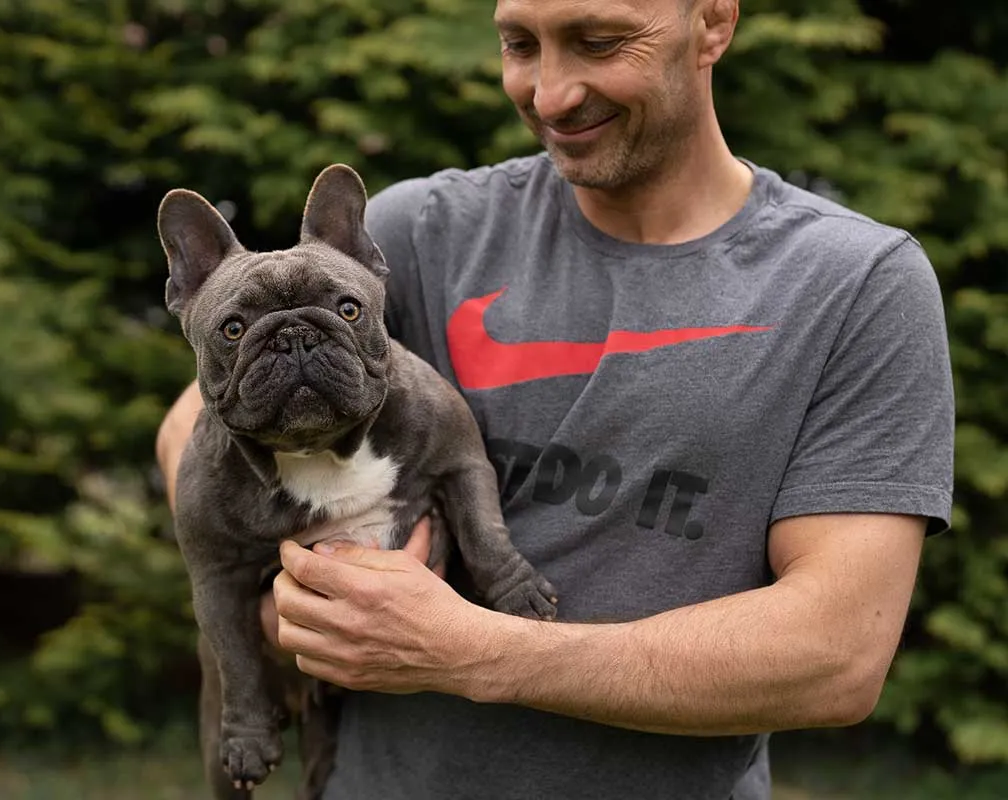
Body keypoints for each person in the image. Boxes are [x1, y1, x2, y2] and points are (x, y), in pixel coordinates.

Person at [155, 0, 955, 797]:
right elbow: (201, 416)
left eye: (599, 42)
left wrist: (472, 650)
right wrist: (278, 599)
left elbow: (837, 659)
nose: (551, 92)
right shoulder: (425, 228)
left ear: (713, 20)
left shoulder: (855, 284)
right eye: (518, 45)